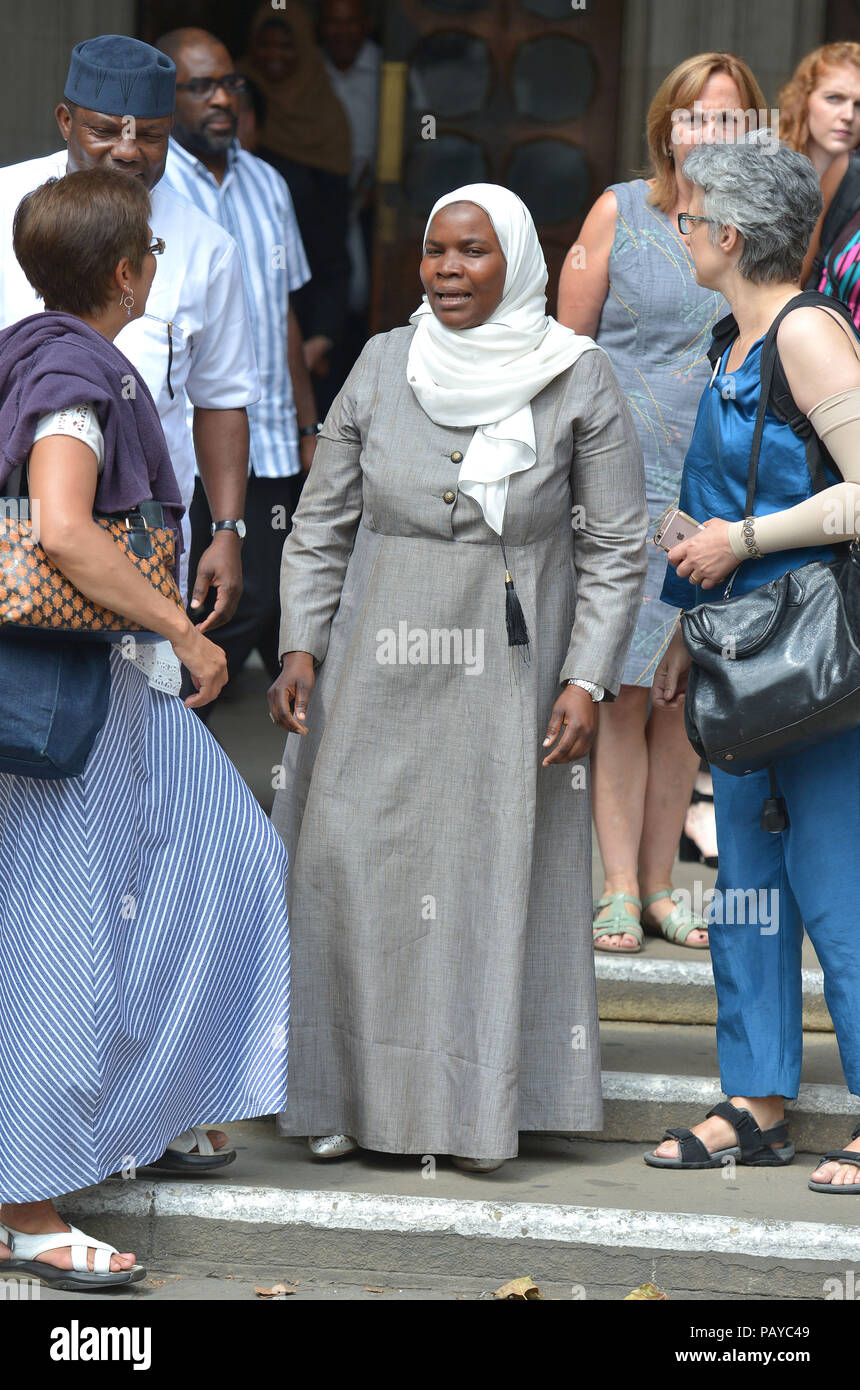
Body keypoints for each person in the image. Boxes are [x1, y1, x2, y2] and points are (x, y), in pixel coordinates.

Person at [267, 183, 648, 1172]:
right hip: (371, 651)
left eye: (470, 252)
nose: (444, 270)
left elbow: (612, 545)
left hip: (507, 663)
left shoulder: (577, 375)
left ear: (514, 262)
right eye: (435, 251)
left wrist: (588, 677)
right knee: (346, 859)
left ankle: (474, 1110)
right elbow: (319, 521)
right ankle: (339, 1093)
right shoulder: (383, 361)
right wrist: (299, 644)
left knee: (482, 876)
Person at [0, 169, 290, 1289]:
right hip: (75, 687)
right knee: (59, 939)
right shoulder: (73, 376)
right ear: (128, 273)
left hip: (100, 685)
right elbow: (66, 532)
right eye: (154, 257)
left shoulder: (33, 348)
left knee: (223, 861)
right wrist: (190, 633)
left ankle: (150, 1102)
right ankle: (25, 1203)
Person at [649, 134, 860, 1192]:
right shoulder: (723, 340)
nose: (675, 230)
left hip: (817, 667)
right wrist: (681, 629)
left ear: (727, 236)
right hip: (738, 658)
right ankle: (758, 1099)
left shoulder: (806, 334)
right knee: (745, 889)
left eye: (687, 218)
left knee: (835, 888)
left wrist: (741, 544)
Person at [558, 52, 766, 954]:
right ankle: (611, 887)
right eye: (694, 117)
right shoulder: (618, 211)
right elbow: (564, 356)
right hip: (618, 480)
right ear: (666, 127)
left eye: (728, 120)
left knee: (685, 698)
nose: (709, 135)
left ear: (752, 132)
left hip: (716, 484)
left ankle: (660, 889)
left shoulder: (757, 228)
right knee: (621, 690)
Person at [0, 34, 258, 620]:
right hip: (11, 541)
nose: (127, 151)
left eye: (149, 135)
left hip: (141, 546)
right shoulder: (2, 205)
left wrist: (228, 529)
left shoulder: (206, 248)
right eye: (103, 130)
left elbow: (221, 399)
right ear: (65, 120)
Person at [157, 27, 319, 700]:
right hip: (186, 438)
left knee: (250, 601)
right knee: (197, 608)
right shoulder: (149, 181)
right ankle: (173, 768)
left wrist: (311, 428)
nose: (222, 99)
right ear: (165, 100)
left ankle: (182, 764)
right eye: (201, 87)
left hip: (270, 435)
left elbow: (280, 310)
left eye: (230, 83)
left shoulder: (268, 182)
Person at [240, 2, 352, 414]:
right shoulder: (236, 91)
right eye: (264, 45)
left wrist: (317, 338)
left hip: (299, 327)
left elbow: (330, 256)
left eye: (285, 46)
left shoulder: (321, 117)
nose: (274, 55)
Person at [321, 0, 381, 377]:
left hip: (380, 195)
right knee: (334, 286)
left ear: (366, 25)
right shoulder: (311, 68)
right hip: (325, 192)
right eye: (333, 23)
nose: (342, 31)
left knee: (375, 289)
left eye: (351, 23)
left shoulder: (385, 67)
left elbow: (420, 125)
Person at [779, 43, 860, 302]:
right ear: (805, 99)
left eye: (859, 104)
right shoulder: (766, 162)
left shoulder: (854, 177)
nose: (848, 115)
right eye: (834, 98)